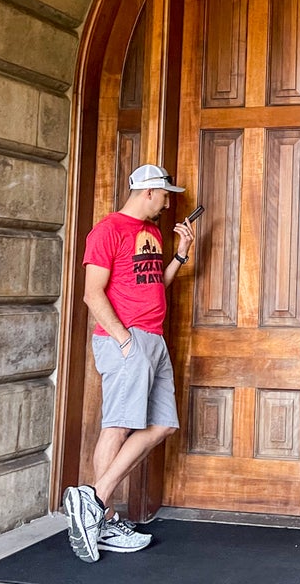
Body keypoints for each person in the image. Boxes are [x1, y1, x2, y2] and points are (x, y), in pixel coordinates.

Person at [62, 164, 196, 563]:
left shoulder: (152, 233)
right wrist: (124, 341)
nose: (168, 201)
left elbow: (155, 284)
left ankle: (93, 503)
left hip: (153, 339)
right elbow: (91, 294)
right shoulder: (107, 231)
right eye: (165, 194)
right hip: (127, 341)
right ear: (148, 192)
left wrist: (181, 255)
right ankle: (100, 517)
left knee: (163, 424)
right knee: (118, 424)